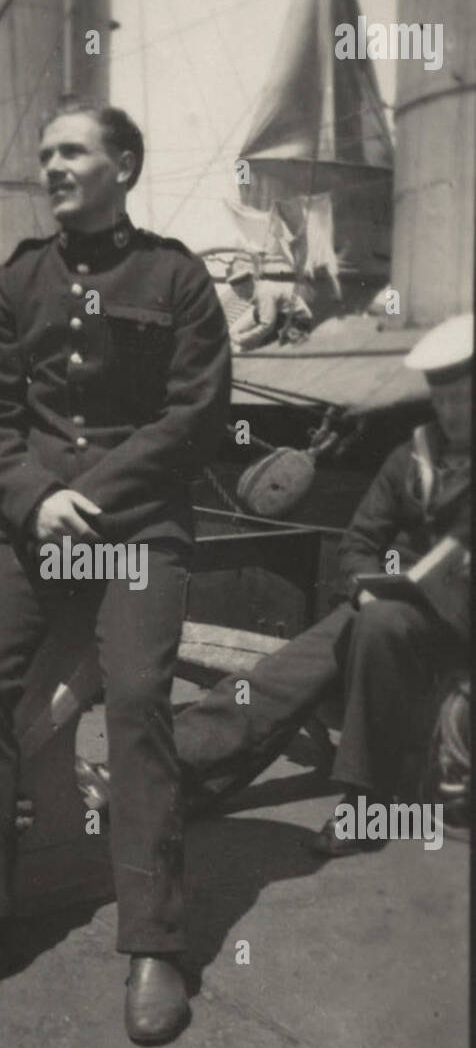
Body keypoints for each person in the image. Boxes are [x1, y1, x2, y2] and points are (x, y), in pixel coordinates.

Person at [0, 100, 231, 1042]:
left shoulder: (176, 275)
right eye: (44, 153)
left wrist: (93, 496)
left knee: (135, 696)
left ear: (124, 163)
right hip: (33, 520)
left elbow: (196, 416)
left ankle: (156, 942)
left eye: (72, 151)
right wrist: (36, 497)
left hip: (136, 526)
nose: (50, 166)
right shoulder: (19, 279)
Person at [173, 312, 472, 854]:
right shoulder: (411, 459)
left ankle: (367, 804)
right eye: (443, 399)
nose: (451, 412)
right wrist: (365, 585)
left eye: (464, 398)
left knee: (371, 624)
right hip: (399, 618)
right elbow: (359, 543)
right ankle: (173, 766)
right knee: (314, 653)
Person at [219, 255, 312, 353]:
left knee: (257, 343)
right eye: (236, 291)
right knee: (256, 315)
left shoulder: (264, 293)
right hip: (286, 315)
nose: (239, 295)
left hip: (300, 320)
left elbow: (267, 326)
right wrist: (235, 332)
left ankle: (296, 334)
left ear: (248, 284)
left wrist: (242, 339)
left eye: (240, 290)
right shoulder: (259, 288)